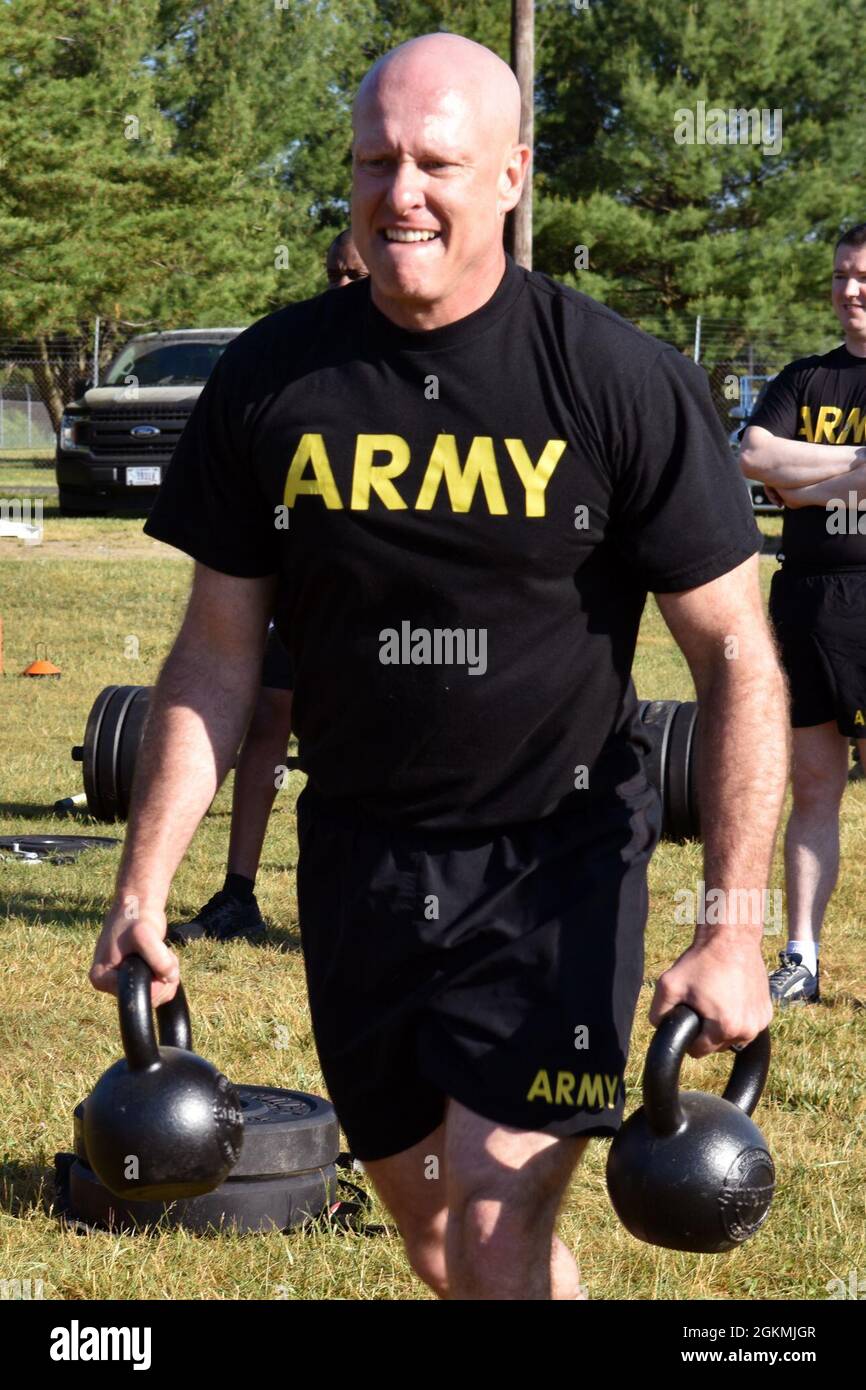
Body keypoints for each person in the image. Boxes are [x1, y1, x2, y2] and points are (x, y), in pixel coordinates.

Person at [91, 32, 785, 1300]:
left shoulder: (617, 382)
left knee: (488, 1228)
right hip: (359, 858)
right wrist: (146, 882)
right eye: (372, 160)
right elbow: (213, 660)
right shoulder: (271, 379)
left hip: (555, 864)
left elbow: (738, 661)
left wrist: (732, 928)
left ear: (513, 174)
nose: (397, 191)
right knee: (434, 1242)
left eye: (434, 163)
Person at [169, 231, 369, 945]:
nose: (342, 288)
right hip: (296, 585)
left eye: (358, 275)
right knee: (264, 724)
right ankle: (238, 895)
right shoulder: (296, 358)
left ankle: (363, 904)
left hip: (382, 607)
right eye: (334, 275)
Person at [740, 223, 866, 1006]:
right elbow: (754, 457)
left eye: (865, 278)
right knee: (814, 786)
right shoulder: (805, 377)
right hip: (809, 601)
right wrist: (857, 468)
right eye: (843, 276)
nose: (850, 289)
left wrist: (806, 481)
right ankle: (801, 958)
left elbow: (785, 477)